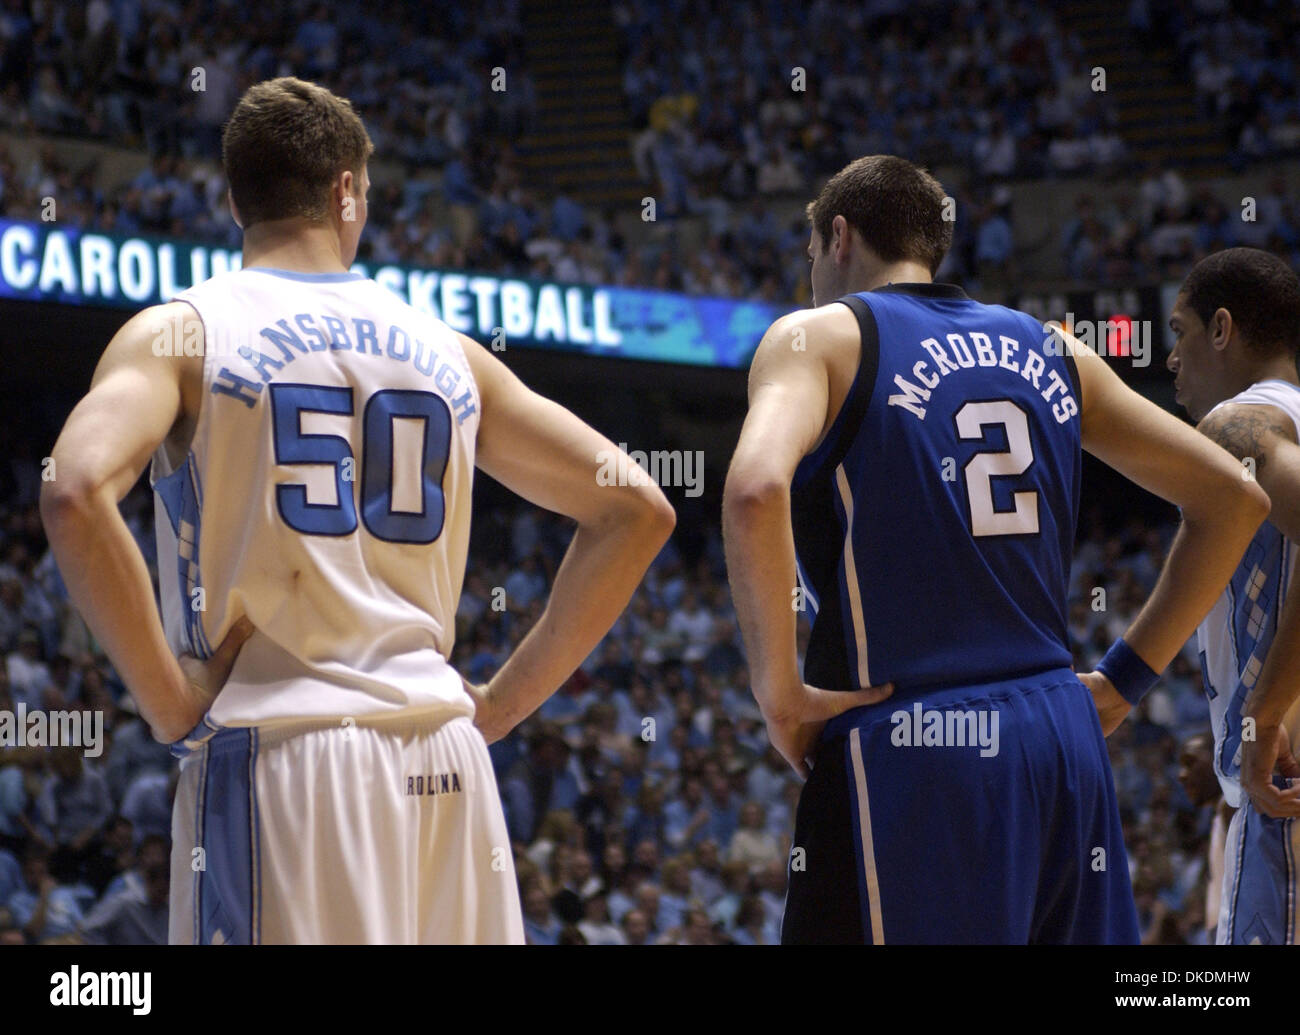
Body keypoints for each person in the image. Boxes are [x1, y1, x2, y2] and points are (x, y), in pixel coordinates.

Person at [40, 76, 675, 945]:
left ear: (234, 197)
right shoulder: (448, 349)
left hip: (284, 752)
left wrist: (166, 703)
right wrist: (494, 706)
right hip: (446, 764)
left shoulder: (181, 332)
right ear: (346, 190)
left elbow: (73, 491)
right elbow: (637, 509)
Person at [722, 154, 1269, 944]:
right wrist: (1120, 682)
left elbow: (751, 489)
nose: (810, 272)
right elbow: (1234, 499)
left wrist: (781, 696)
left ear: (837, 236)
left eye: (810, 252)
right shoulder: (1052, 347)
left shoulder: (818, 338)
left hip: (916, 745)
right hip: (1060, 737)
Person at [1164, 247, 1300, 944]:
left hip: (1281, 793)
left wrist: (1267, 711)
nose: (1170, 359)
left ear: (1223, 329)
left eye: (1178, 332)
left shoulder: (1236, 424)